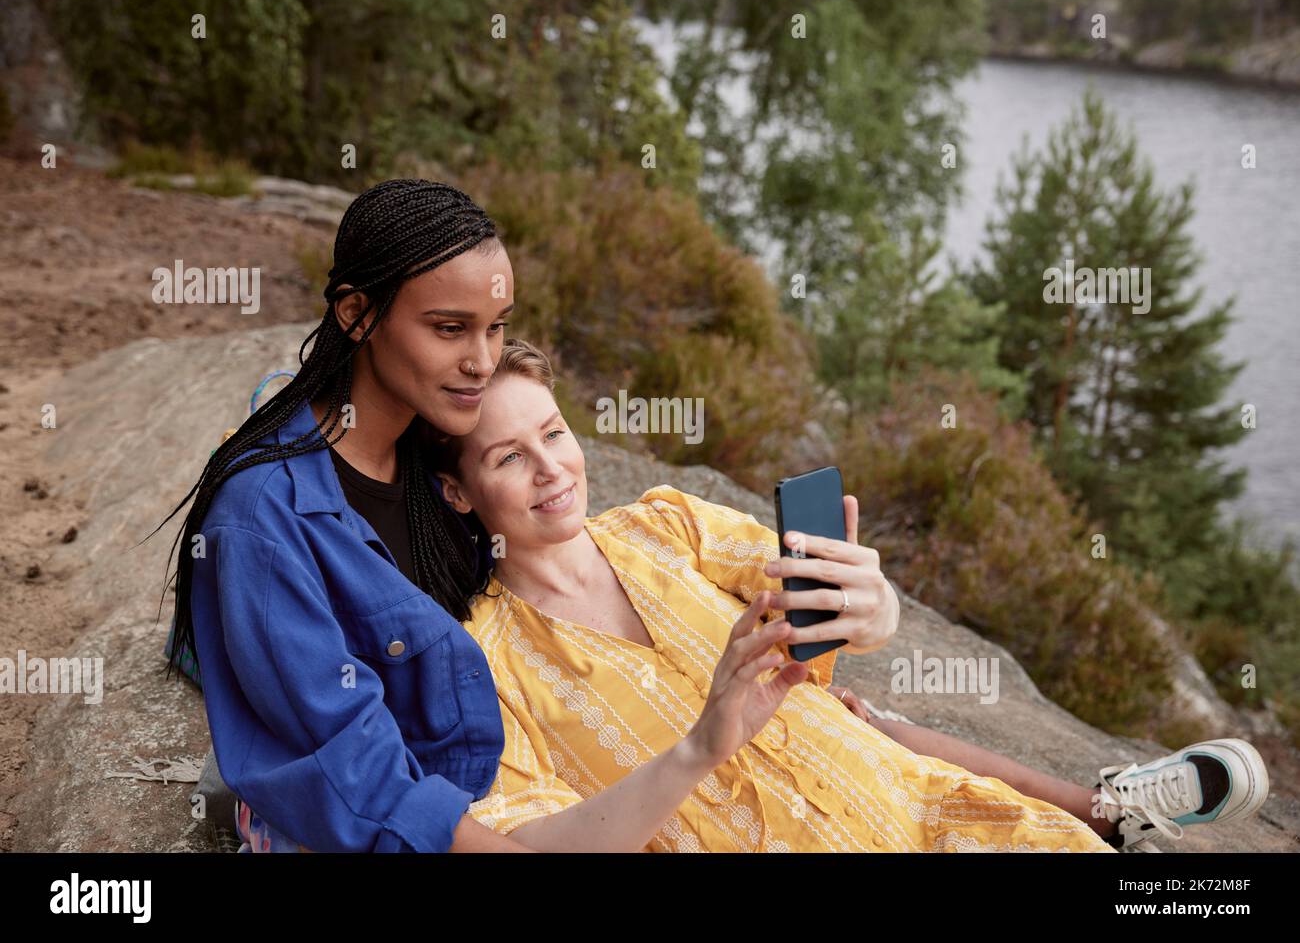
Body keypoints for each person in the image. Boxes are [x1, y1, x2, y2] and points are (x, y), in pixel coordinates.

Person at [154, 179, 826, 853]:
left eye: (496, 326)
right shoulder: (265, 518)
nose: (481, 361)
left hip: (510, 792)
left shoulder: (439, 449)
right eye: (450, 329)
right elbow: (363, 788)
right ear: (357, 314)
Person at [428, 338, 1270, 852]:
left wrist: (875, 607)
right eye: (508, 457)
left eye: (555, 433)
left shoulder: (665, 525)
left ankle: (1108, 809)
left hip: (931, 815)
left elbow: (838, 606)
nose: (551, 469)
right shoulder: (482, 660)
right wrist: (696, 749)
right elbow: (527, 843)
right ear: (459, 491)